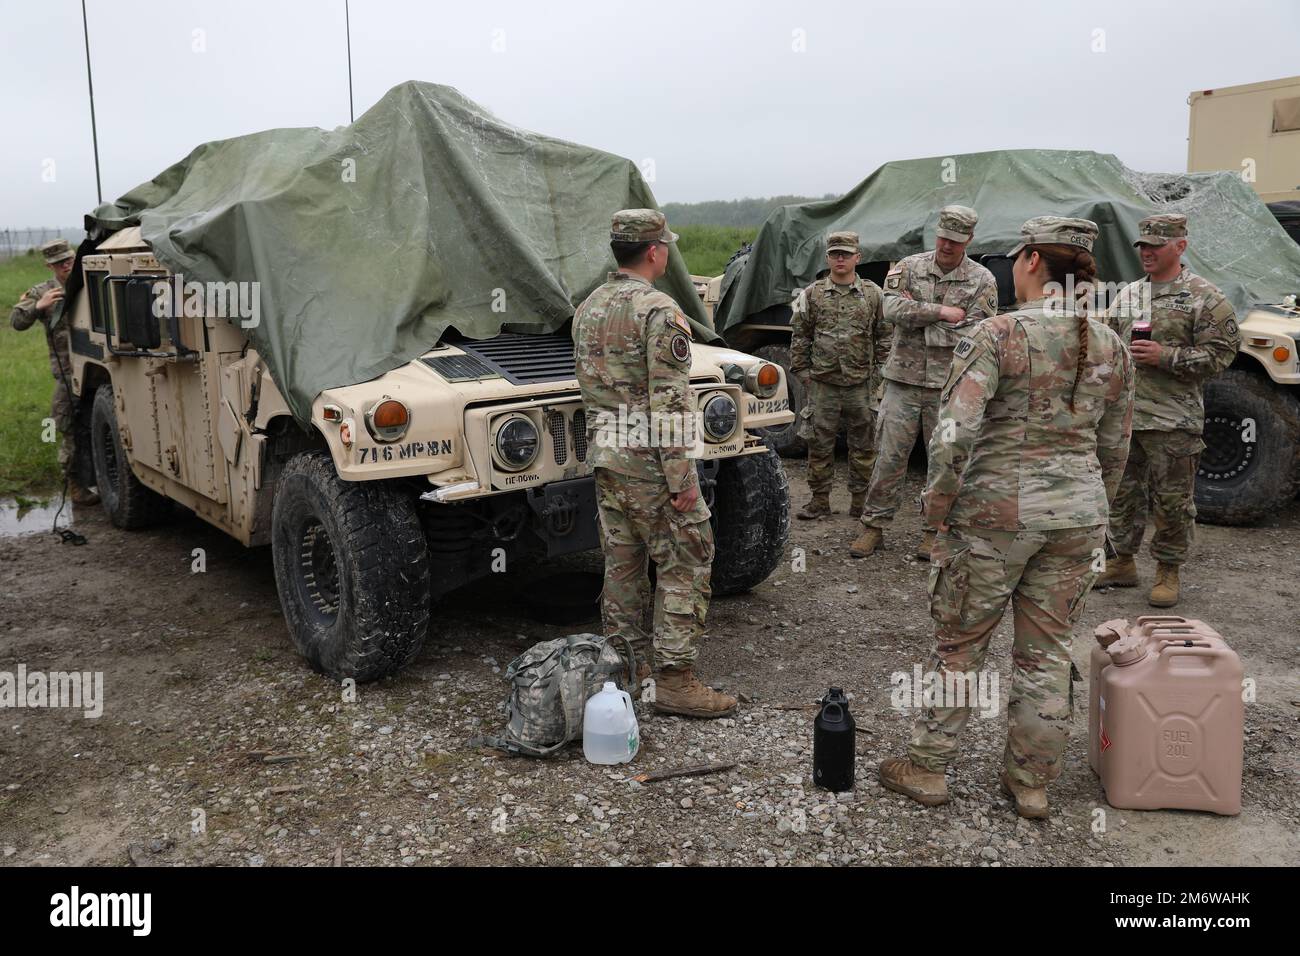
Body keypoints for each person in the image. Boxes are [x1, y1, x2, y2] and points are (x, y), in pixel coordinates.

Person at [878, 217, 1134, 819]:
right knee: (1047, 654)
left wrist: (937, 512)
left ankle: (928, 768)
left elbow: (952, 433)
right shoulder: (1109, 344)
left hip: (995, 516)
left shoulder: (997, 335)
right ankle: (1031, 784)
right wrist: (1094, 509)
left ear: (1028, 262)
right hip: (1078, 518)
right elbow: (1118, 448)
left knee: (960, 646)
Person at [572, 208, 737, 719]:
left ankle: (625, 671)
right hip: (649, 462)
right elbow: (668, 400)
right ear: (653, 251)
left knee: (622, 563)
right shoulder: (659, 311)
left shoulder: (588, 307)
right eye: (666, 244)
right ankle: (673, 679)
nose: (669, 251)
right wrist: (682, 476)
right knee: (687, 558)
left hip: (608, 455)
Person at [1096, 214, 1240, 607]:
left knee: (1172, 501)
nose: (1147, 252)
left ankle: (1168, 570)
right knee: (1121, 495)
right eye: (1143, 245)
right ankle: (1122, 561)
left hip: (1173, 420)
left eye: (1156, 246)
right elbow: (1108, 344)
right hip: (1126, 417)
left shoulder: (1204, 297)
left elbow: (1221, 355)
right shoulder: (1126, 295)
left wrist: (1167, 356)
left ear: (1180, 246)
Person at [852, 205, 998, 560]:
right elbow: (888, 309)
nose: (947, 246)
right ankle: (873, 526)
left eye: (956, 241)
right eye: (943, 238)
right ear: (937, 233)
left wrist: (915, 312)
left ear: (970, 240)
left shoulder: (982, 280)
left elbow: (978, 330)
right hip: (902, 379)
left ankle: (934, 530)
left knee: (943, 460)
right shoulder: (908, 267)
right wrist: (941, 313)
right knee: (889, 456)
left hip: (950, 387)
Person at [789, 230, 885, 522]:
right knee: (818, 444)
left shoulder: (873, 294)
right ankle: (819, 501)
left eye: (846, 253)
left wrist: (879, 375)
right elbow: (800, 336)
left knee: (864, 446)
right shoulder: (811, 294)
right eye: (835, 254)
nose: (840, 258)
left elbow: (884, 336)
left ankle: (859, 501)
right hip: (823, 384)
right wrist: (804, 373)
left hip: (860, 384)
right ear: (828, 258)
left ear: (858, 257)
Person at [9, 239, 98, 505]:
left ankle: (103, 480)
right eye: (60, 262)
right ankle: (76, 487)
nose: (66, 265)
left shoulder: (88, 282)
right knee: (68, 428)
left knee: (96, 426)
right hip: (68, 374)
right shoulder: (43, 291)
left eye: (69, 259)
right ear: (49, 265)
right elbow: (16, 321)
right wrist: (40, 306)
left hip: (97, 371)